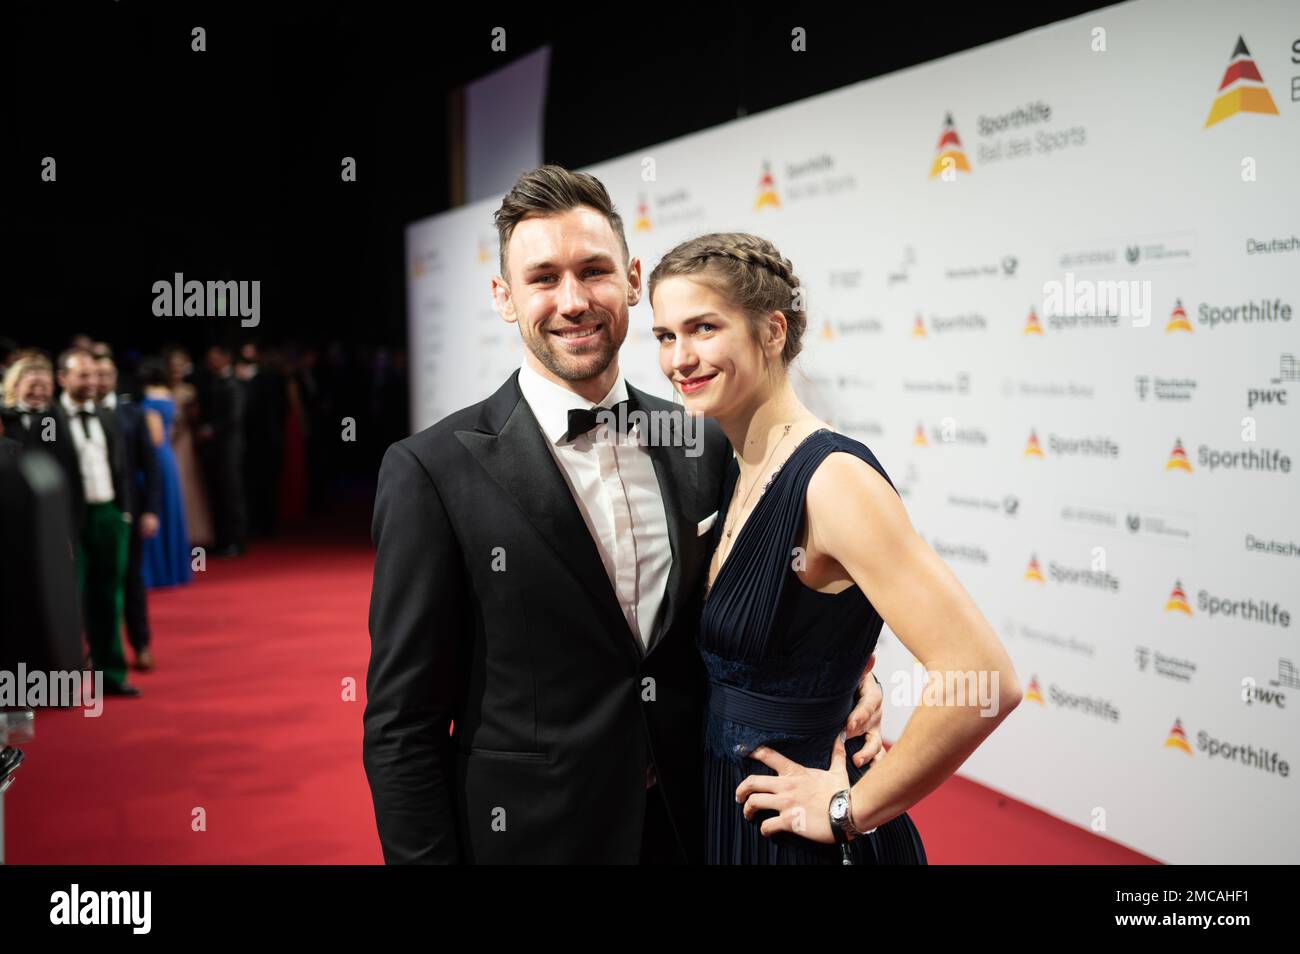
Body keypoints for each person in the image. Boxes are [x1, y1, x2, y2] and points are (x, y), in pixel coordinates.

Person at [363, 165, 886, 864]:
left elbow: (762, 595)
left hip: (699, 822)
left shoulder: (702, 439)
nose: (573, 300)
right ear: (504, 297)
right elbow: (404, 724)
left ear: (633, 280)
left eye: (594, 271)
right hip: (531, 841)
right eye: (543, 278)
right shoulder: (432, 472)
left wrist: (853, 675)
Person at [649, 232, 1023, 864]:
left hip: (804, 840)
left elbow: (982, 678)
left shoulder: (833, 481)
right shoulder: (735, 467)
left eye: (704, 328)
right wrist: (847, 685)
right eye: (664, 335)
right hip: (729, 815)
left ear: (772, 332)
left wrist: (850, 811)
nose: (679, 358)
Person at [56, 348, 140, 696]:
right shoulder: (51, 419)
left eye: (94, 375)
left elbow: (122, 467)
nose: (91, 382)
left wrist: (125, 512)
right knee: (66, 601)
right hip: (68, 522)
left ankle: (110, 676)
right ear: (63, 378)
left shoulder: (108, 416)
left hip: (108, 514)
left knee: (109, 597)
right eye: (83, 375)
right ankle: (62, 681)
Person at [95, 353, 162, 670]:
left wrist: (151, 510)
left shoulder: (133, 415)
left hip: (129, 510)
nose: (100, 380)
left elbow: (151, 467)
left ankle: (141, 644)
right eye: (95, 374)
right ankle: (96, 650)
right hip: (89, 511)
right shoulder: (66, 416)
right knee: (92, 585)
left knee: (131, 578)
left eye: (106, 373)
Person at [137, 357, 192, 588]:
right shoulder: (168, 395)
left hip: (155, 457)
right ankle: (173, 570)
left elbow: (155, 438)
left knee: (154, 508)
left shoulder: (149, 398)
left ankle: (157, 574)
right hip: (168, 456)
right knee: (169, 511)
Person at [198, 344, 247, 558]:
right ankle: (223, 540)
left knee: (231, 494)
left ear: (225, 358)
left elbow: (234, 417)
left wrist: (212, 429)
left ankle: (236, 541)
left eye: (213, 357)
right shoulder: (212, 381)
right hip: (215, 449)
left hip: (229, 448)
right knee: (218, 494)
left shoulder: (234, 384)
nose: (209, 362)